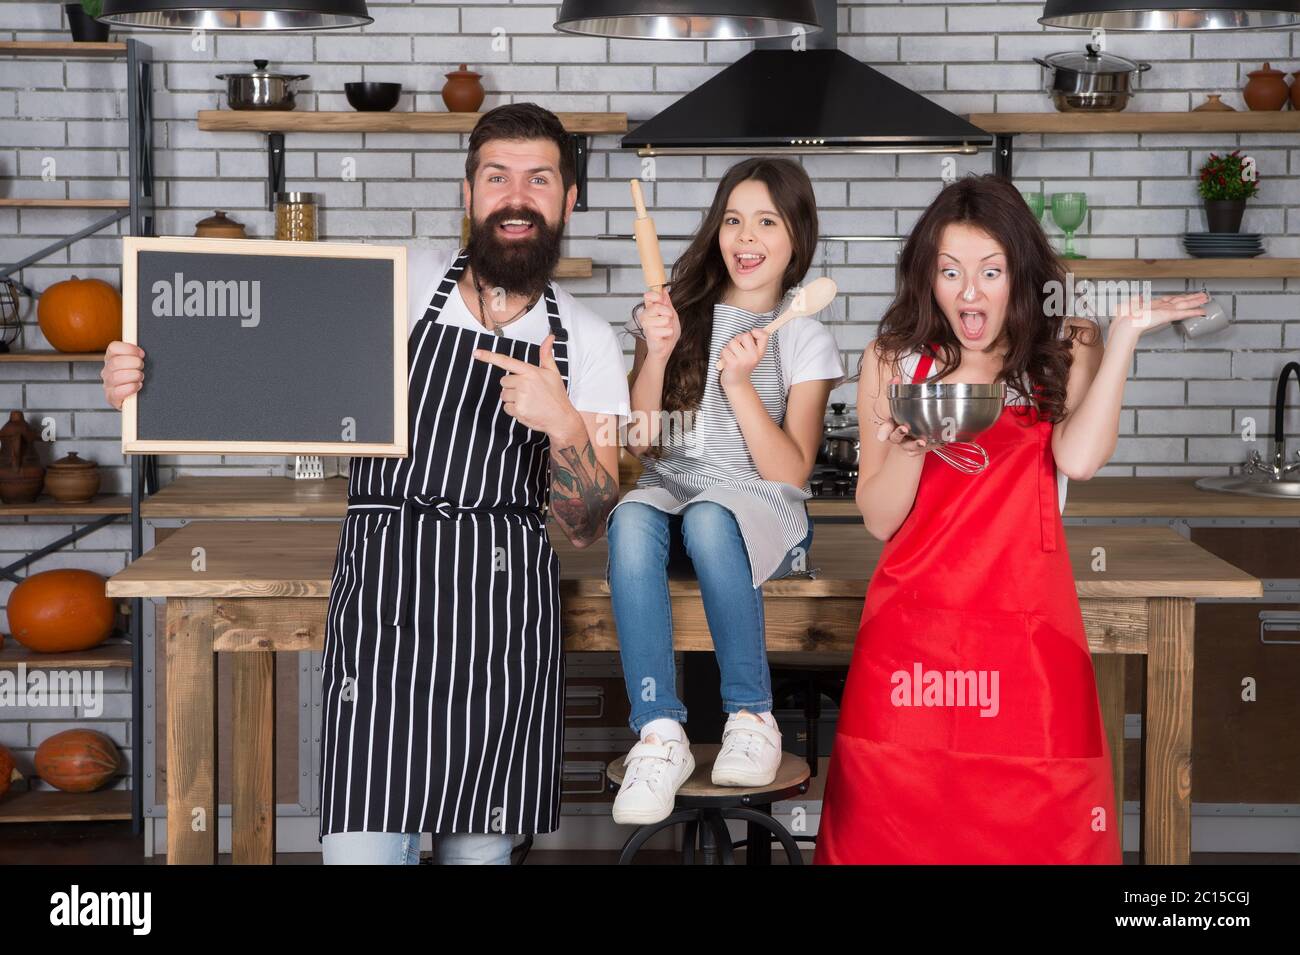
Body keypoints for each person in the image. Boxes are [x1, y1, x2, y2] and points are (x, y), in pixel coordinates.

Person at [100, 103, 630, 864]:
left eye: (540, 178)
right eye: (497, 177)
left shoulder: (588, 337)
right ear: (469, 192)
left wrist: (565, 426)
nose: (517, 196)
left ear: (569, 199)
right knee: (362, 850)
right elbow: (251, 349)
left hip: (502, 622)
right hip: (386, 598)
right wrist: (148, 376)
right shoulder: (395, 281)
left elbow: (586, 524)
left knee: (478, 857)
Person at [814, 173, 1208, 864]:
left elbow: (1078, 459)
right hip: (912, 643)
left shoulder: (1058, 352)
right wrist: (909, 448)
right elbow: (879, 517)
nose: (970, 292)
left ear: (1019, 274)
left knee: (1042, 834)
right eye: (951, 271)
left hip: (1029, 647)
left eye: (990, 271)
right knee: (894, 832)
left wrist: (1122, 340)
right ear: (926, 276)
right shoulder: (894, 359)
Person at [607, 158, 845, 826]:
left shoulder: (804, 336)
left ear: (796, 237)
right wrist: (655, 353)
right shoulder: (679, 316)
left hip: (757, 506)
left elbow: (790, 473)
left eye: (767, 221)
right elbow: (644, 443)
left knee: (712, 516)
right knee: (628, 519)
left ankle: (752, 714)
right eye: (734, 219)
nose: (746, 235)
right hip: (676, 490)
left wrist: (739, 385)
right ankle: (659, 731)